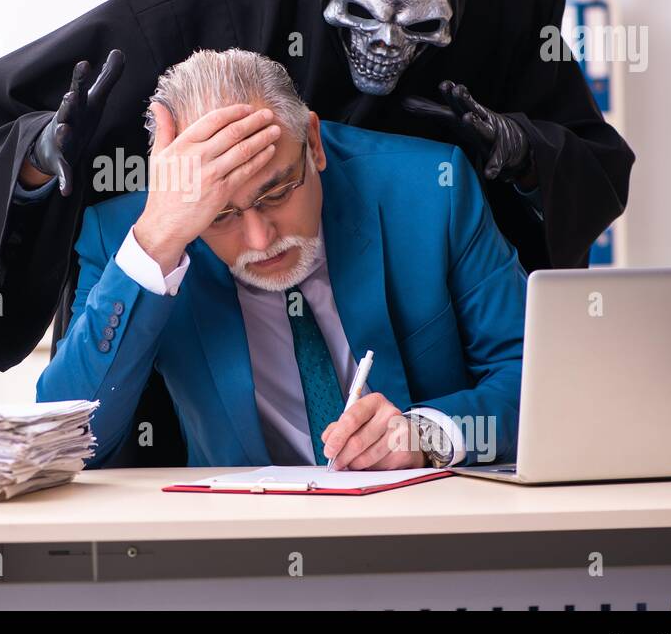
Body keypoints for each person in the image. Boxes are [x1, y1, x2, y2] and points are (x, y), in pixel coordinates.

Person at [0, 0, 632, 380]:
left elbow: (594, 162)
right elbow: (5, 111)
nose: (386, 47)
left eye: (418, 27)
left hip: (413, 362)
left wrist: (522, 149)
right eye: (362, 14)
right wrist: (39, 158)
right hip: (201, 338)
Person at [37, 49, 526, 469]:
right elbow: (64, 441)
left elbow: (535, 373)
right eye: (220, 214)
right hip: (241, 550)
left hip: (429, 529)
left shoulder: (429, 189)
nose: (259, 237)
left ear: (312, 143)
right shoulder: (133, 235)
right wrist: (157, 241)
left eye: (276, 193)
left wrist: (427, 435)